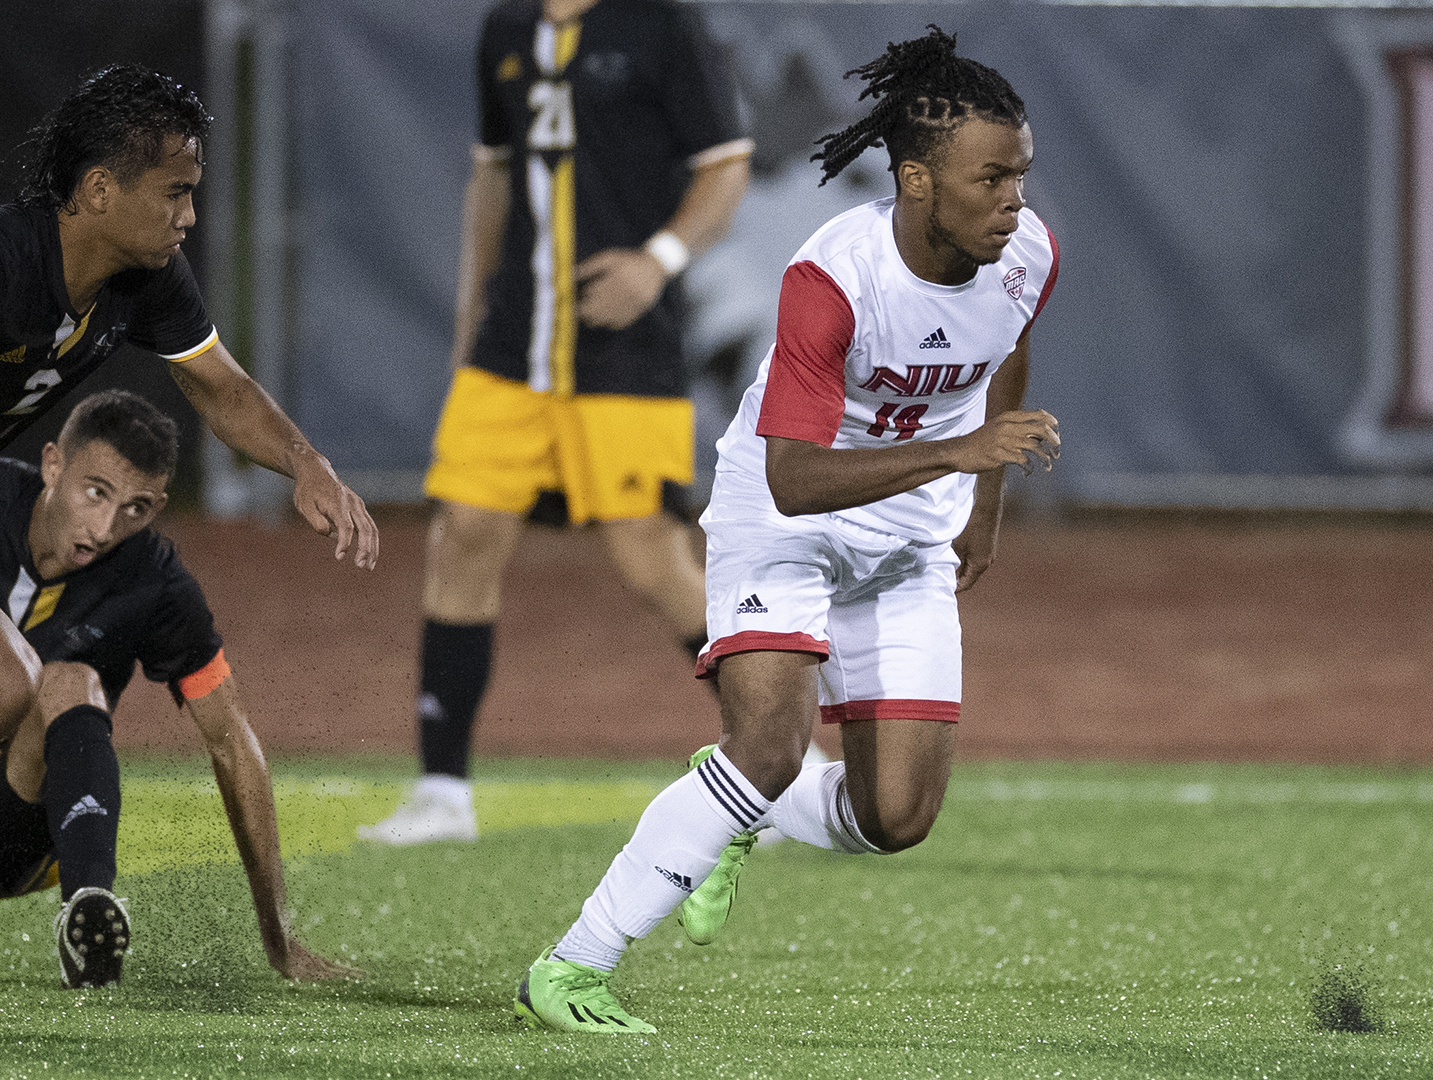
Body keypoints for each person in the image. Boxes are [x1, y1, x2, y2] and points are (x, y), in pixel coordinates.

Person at [513, 26, 1061, 1033]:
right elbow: (796, 477)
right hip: (786, 517)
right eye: (991, 179)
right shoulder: (833, 281)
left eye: (1022, 174)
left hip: (911, 538)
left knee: (895, 818)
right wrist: (957, 459)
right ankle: (573, 966)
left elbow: (1005, 353)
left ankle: (737, 811)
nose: (1015, 200)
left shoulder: (1026, 252)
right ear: (916, 180)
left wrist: (980, 512)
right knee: (767, 741)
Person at [358, 0, 755, 846]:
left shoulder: (661, 22)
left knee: (651, 556)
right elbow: (493, 179)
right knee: (461, 534)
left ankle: (774, 758)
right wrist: (469, 331)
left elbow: (726, 167)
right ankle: (442, 791)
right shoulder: (506, 30)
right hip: (511, 349)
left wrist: (659, 260)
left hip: (625, 343)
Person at [0, 390, 355, 987]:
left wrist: (279, 936)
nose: (108, 527)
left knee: (70, 680)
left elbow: (232, 743)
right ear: (54, 465)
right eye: (97, 493)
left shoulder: (156, 585)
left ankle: (87, 919)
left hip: (18, 827)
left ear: (159, 506)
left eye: (137, 508)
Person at [0, 63, 379, 568]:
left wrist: (307, 462)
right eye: (174, 192)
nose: (190, 215)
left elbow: (224, 391)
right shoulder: (10, 263)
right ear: (99, 190)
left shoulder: (151, 274)